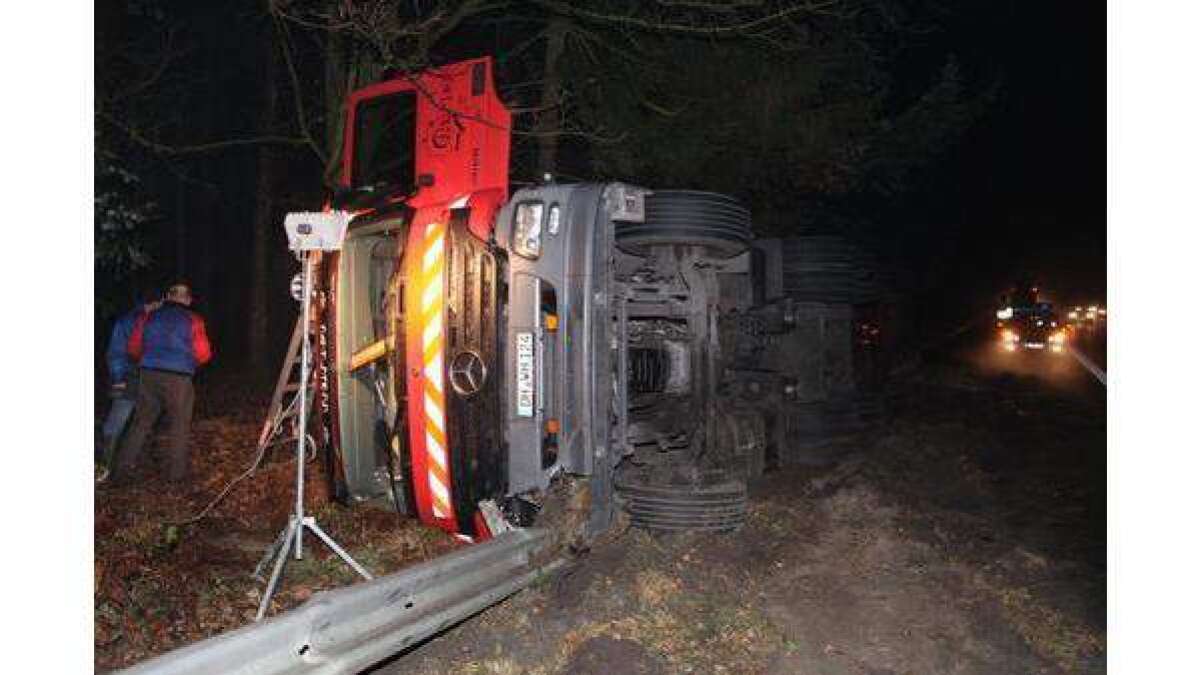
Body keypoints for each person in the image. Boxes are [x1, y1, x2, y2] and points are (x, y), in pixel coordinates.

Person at [110, 282, 213, 485]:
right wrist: (188, 362)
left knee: (141, 422)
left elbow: (133, 348)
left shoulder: (149, 316)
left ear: (168, 297)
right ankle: (176, 476)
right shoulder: (194, 319)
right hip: (179, 379)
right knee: (179, 425)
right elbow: (204, 354)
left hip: (148, 374)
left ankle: (121, 469)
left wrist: (148, 360)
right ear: (188, 300)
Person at [96, 291, 162, 482]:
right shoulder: (129, 321)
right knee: (118, 420)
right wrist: (118, 377)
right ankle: (104, 465)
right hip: (131, 376)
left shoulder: (153, 320)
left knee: (141, 420)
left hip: (146, 377)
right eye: (160, 302)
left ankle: (122, 464)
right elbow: (116, 352)